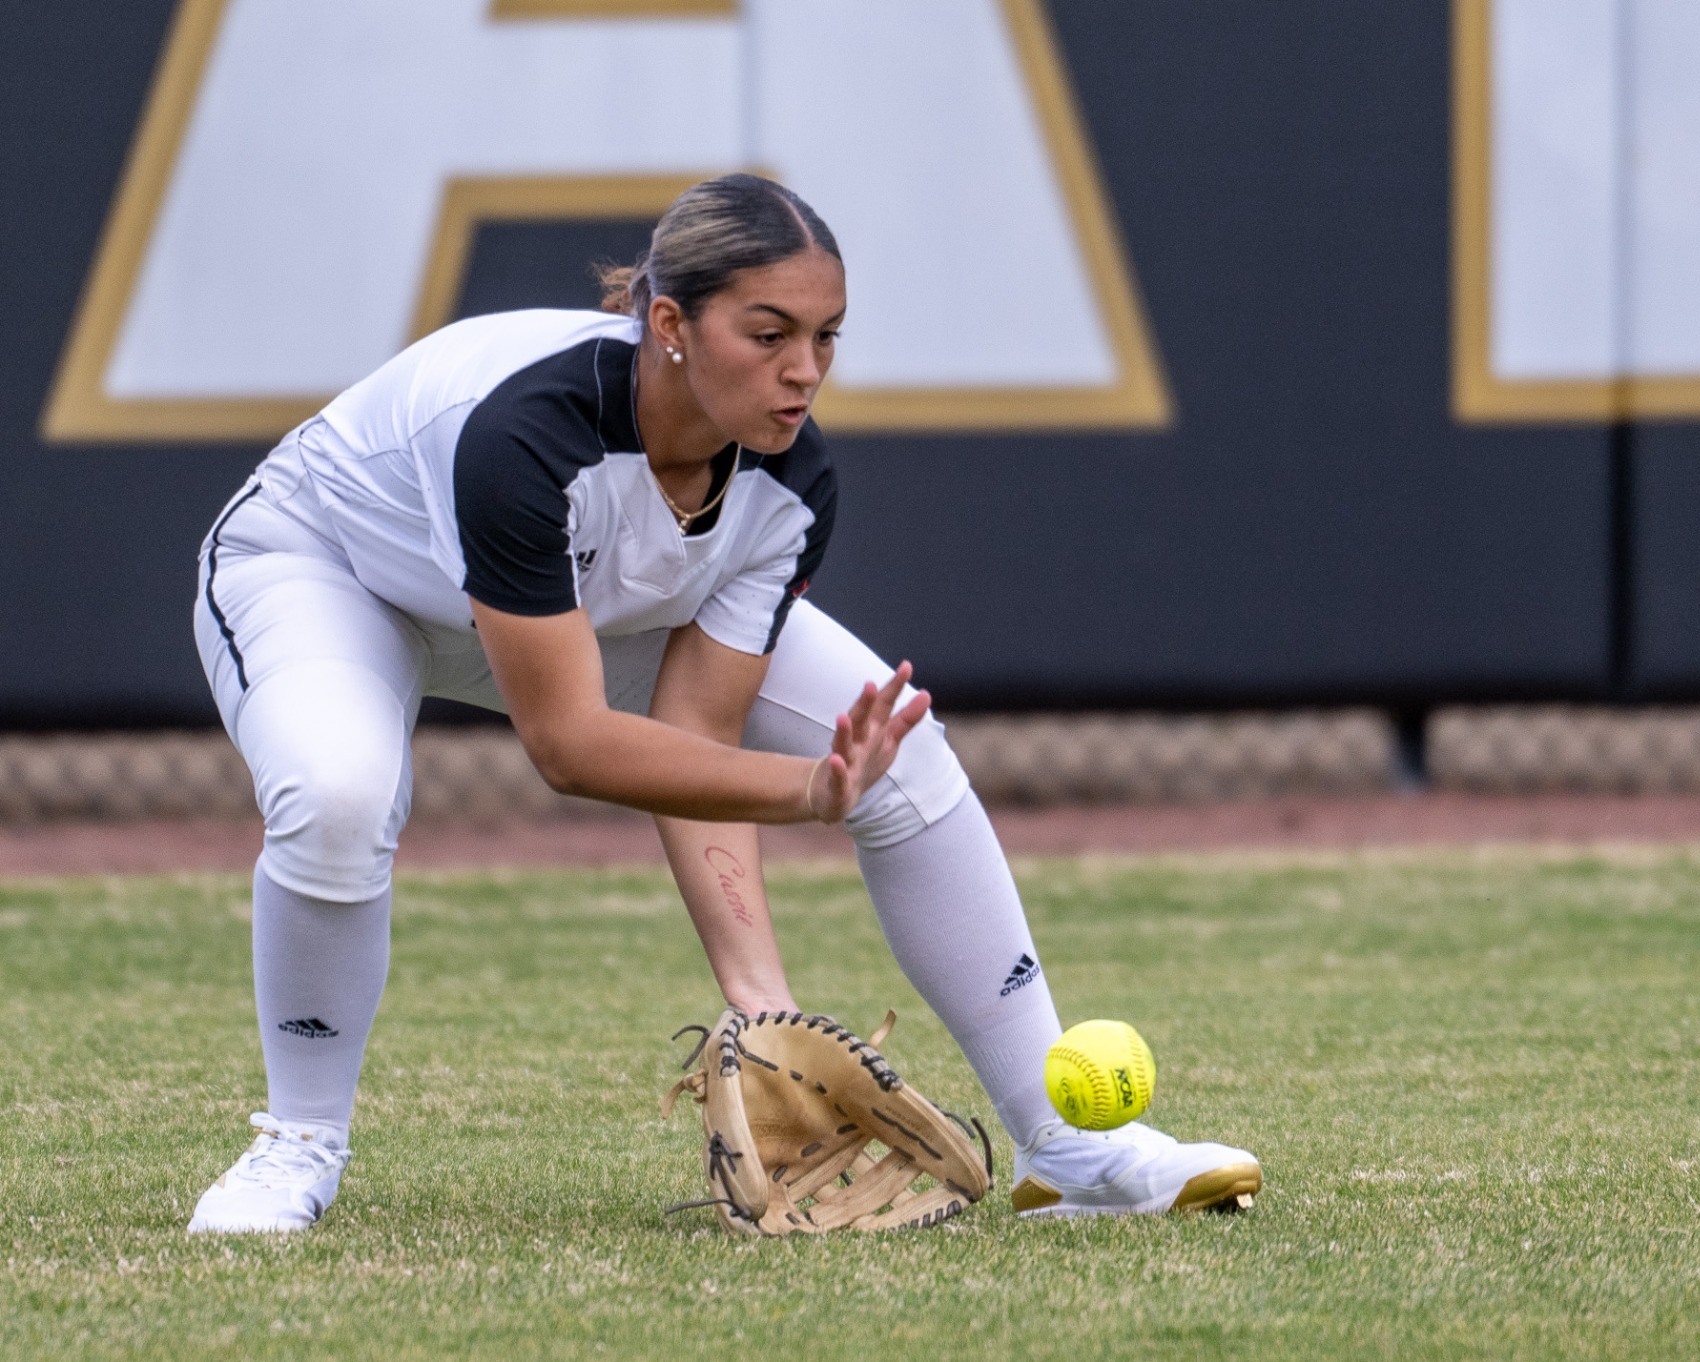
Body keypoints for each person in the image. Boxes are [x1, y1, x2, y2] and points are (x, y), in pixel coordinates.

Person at [187, 174, 1261, 1233]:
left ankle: (1068, 1150)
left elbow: (690, 736)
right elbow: (569, 746)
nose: (805, 371)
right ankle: (298, 1145)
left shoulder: (788, 482)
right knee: (336, 794)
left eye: (827, 336)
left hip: (570, 606)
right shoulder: (529, 432)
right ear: (670, 323)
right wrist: (806, 790)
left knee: (904, 753)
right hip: (333, 571)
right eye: (769, 333)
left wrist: (759, 1006)